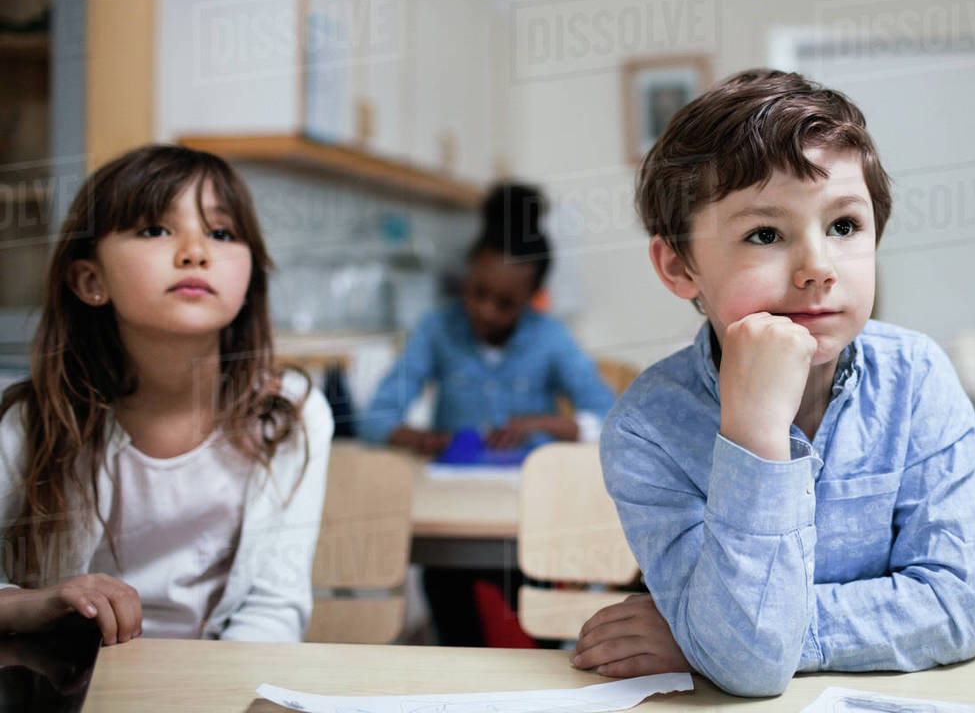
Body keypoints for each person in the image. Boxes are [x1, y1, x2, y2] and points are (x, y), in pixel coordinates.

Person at [570, 70, 975, 696]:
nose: (818, 269)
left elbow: (963, 607)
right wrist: (754, 435)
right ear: (679, 265)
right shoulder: (649, 427)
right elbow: (747, 669)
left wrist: (704, 637)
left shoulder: (917, 379)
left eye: (845, 226)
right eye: (765, 235)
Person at [0, 145, 333, 645]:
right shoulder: (30, 422)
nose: (195, 252)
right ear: (90, 280)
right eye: (156, 230)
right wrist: (37, 603)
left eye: (221, 233)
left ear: (248, 279)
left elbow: (273, 609)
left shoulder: (291, 416)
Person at [361, 182, 616, 646]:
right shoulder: (437, 328)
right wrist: (420, 439)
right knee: (453, 620)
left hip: (526, 521)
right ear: (465, 279)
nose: (484, 310)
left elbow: (611, 418)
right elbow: (375, 417)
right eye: (476, 293)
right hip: (450, 520)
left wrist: (541, 423)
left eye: (505, 303)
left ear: (533, 298)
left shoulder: (550, 338)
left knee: (542, 632)